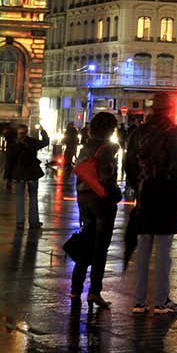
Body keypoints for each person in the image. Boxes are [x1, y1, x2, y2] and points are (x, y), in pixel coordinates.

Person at [122, 93, 177, 316]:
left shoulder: (138, 132)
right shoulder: (174, 133)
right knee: (163, 251)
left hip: (145, 196)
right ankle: (161, 301)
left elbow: (129, 163)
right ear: (170, 110)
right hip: (168, 196)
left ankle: (139, 301)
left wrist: (138, 185)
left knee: (143, 249)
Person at [69, 112, 121, 312]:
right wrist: (116, 194)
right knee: (100, 249)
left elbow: (79, 174)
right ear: (110, 129)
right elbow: (106, 177)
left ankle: (75, 290)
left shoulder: (85, 148)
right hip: (101, 201)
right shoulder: (106, 148)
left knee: (86, 245)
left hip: (84, 200)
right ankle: (94, 291)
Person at [13, 123, 48, 227]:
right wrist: (43, 131)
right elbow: (45, 142)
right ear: (27, 132)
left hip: (19, 175)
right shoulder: (32, 142)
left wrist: (8, 176)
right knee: (33, 197)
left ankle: (20, 221)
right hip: (32, 174)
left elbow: (10, 161)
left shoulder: (14, 144)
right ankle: (33, 222)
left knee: (19, 197)